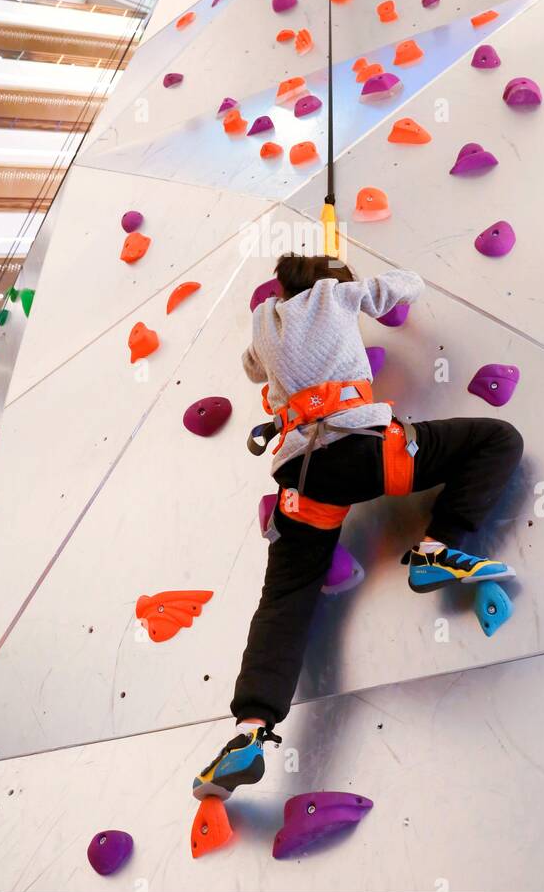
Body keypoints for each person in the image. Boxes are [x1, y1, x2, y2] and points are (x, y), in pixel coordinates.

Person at [192, 253, 523, 800]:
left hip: (303, 479)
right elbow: (408, 282)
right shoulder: (336, 296)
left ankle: (250, 730)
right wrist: (351, 288)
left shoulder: (265, 323)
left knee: (285, 600)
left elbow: (251, 367)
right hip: (369, 452)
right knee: (497, 438)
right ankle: (437, 548)